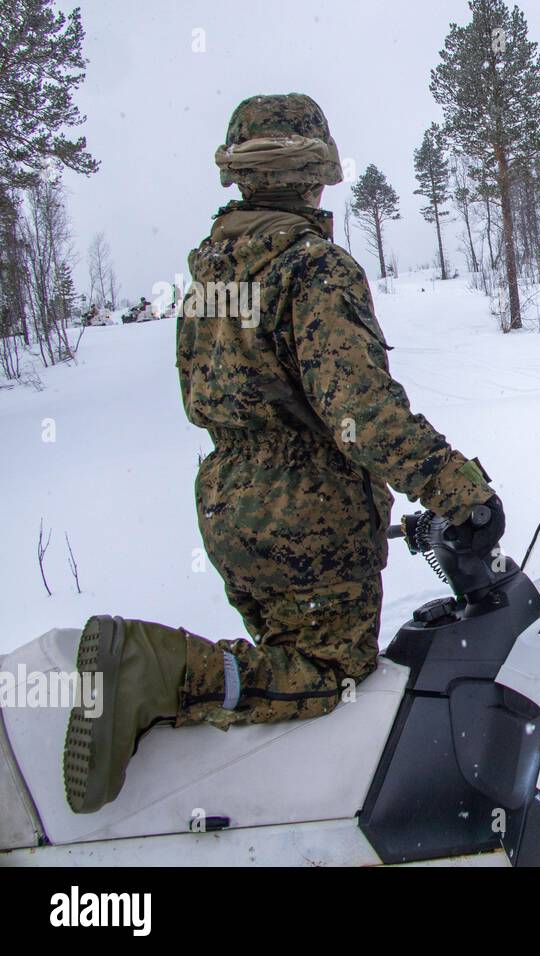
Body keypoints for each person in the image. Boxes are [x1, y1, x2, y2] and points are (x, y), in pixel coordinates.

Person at [62, 93, 504, 815]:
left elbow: (208, 393)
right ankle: (156, 670)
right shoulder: (313, 266)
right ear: (316, 173)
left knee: (286, 656)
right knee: (328, 675)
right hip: (310, 509)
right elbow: (359, 411)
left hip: (229, 501)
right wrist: (459, 491)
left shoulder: (208, 275)